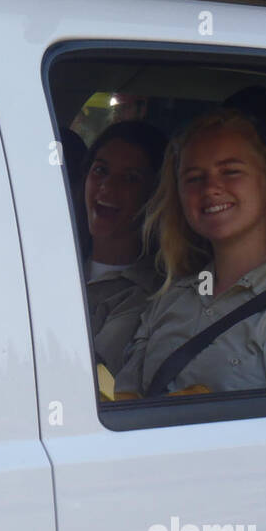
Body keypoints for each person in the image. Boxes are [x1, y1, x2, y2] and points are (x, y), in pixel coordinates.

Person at [110, 106, 266, 398]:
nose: (211, 188)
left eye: (231, 172)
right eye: (194, 178)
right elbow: (123, 402)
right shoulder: (169, 298)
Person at [81, 121, 167, 373]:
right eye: (100, 170)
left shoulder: (150, 294)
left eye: (130, 178)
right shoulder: (43, 260)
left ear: (155, 193)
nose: (107, 186)